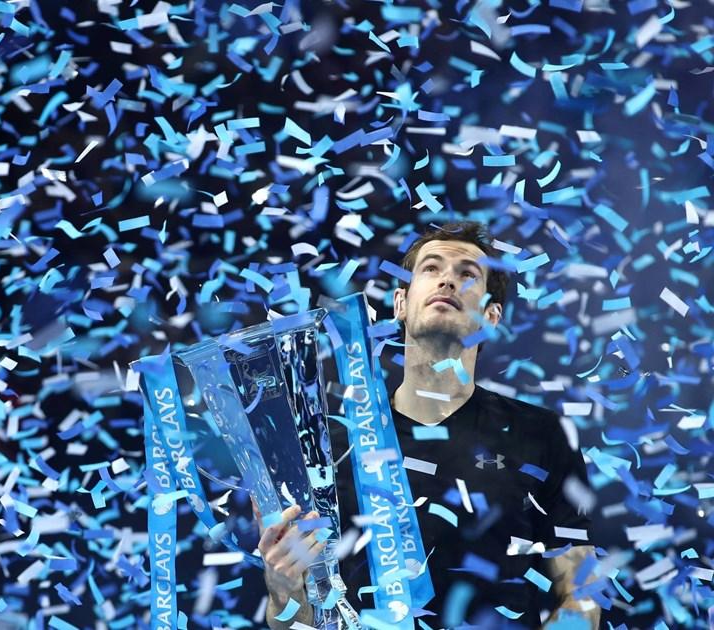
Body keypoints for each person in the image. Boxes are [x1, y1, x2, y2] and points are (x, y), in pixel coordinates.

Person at [255, 221, 601, 629]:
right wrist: (282, 589)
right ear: (400, 303)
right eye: (431, 268)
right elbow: (296, 622)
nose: (448, 281)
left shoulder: (543, 435)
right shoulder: (330, 447)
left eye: (467, 274)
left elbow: (581, 593)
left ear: (491, 316)